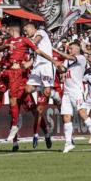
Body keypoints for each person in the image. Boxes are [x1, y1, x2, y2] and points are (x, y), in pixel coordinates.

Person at [0, 21, 37, 152]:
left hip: (19, 79)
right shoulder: (9, 45)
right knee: (0, 95)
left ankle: (23, 129)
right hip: (7, 73)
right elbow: (0, 53)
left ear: (12, 30)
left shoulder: (24, 44)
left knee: (23, 105)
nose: (6, 32)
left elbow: (34, 52)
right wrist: (5, 47)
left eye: (8, 30)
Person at [55, 41, 91, 154]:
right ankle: (68, 142)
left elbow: (67, 56)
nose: (69, 50)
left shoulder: (81, 58)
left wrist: (54, 49)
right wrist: (56, 65)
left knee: (83, 114)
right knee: (66, 116)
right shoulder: (67, 61)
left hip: (76, 91)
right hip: (67, 91)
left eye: (71, 48)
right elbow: (62, 71)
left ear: (77, 49)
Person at [23, 19, 55, 150]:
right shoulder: (31, 44)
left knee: (41, 107)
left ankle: (51, 92)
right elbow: (31, 61)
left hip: (46, 66)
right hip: (37, 68)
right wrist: (20, 68)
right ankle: (42, 87)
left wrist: (22, 42)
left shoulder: (41, 33)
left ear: (32, 28)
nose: (25, 33)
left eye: (26, 31)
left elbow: (34, 41)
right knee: (27, 89)